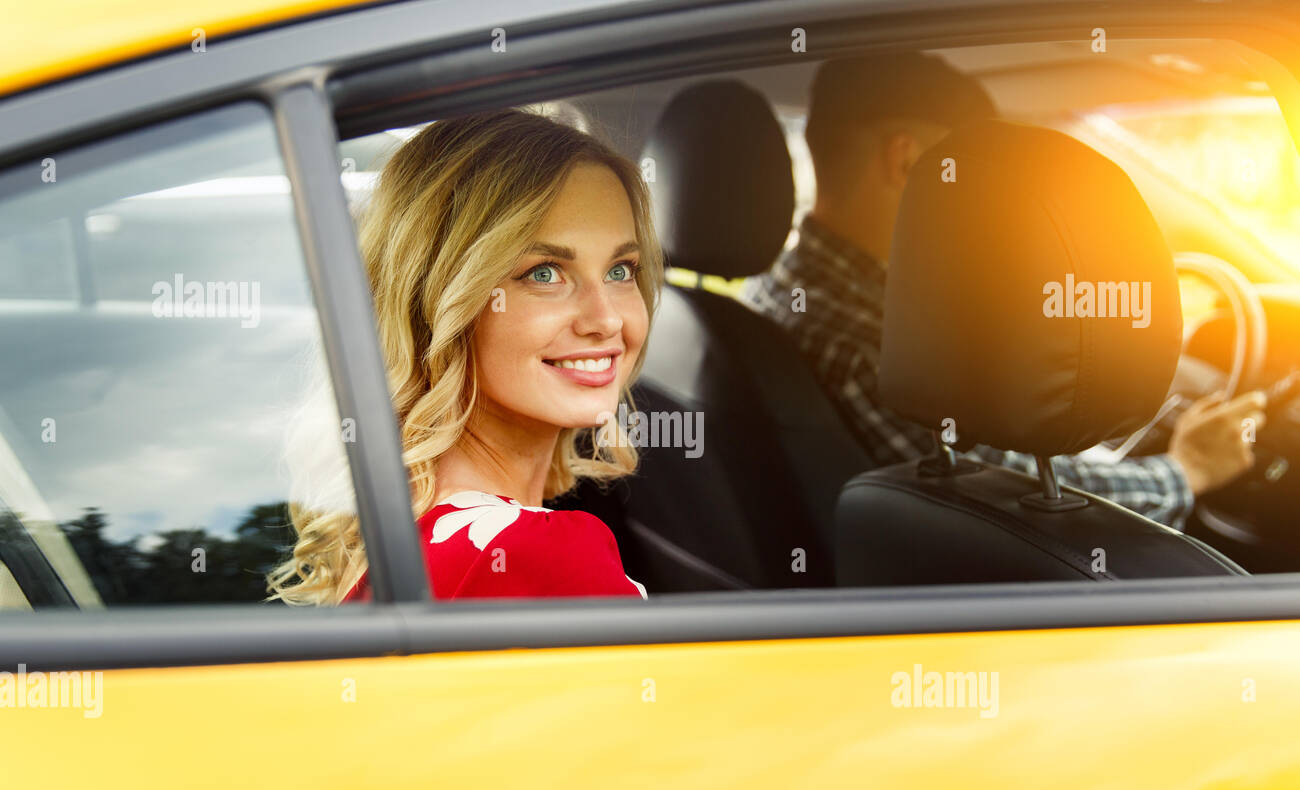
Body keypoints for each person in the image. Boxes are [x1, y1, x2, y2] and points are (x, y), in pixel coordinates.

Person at [742, 53, 1267, 529]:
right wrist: (1184, 470)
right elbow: (1007, 501)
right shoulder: (865, 350)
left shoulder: (782, 291)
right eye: (975, 174)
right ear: (906, 164)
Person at [268, 109, 662, 603]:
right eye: (544, 273)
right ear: (440, 300)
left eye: (621, 270)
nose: (606, 320)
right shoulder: (535, 556)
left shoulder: (391, 534)